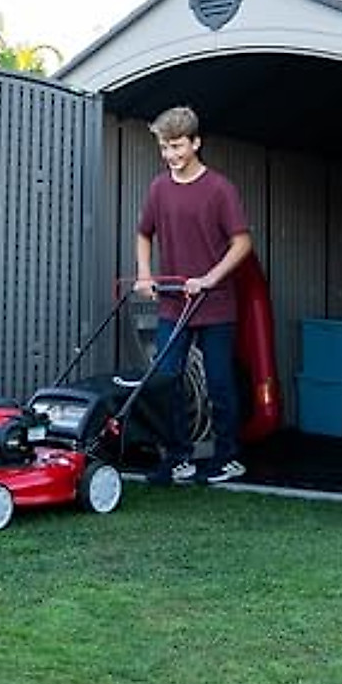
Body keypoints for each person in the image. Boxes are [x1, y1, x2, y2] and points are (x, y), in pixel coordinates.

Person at [134, 106, 252, 485]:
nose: (170, 155)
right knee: (166, 378)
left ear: (196, 142)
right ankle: (180, 456)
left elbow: (242, 243)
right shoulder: (158, 188)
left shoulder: (220, 189)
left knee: (218, 382)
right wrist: (145, 275)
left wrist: (210, 278)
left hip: (215, 305)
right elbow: (143, 234)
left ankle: (228, 457)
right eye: (165, 148)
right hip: (173, 304)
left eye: (177, 146)